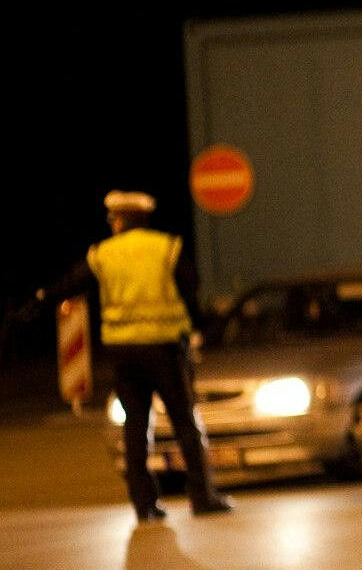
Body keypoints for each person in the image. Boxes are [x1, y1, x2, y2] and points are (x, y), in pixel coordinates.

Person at [31, 191, 233, 522]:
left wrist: (42, 298)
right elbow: (191, 287)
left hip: (124, 354)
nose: (111, 224)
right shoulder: (166, 247)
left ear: (121, 220)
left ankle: (144, 505)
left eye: (112, 219)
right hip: (165, 351)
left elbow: (72, 282)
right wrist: (194, 327)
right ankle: (202, 496)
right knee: (184, 423)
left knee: (136, 427)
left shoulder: (103, 253)